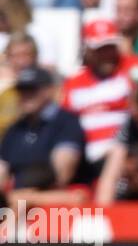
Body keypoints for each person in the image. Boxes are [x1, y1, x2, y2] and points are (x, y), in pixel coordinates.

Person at [0, 67, 83, 197]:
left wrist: (27, 194)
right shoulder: (14, 129)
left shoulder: (67, 122)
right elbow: (2, 171)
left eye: (31, 89)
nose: (26, 95)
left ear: (49, 91)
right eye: (22, 90)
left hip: (55, 203)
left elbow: (62, 174)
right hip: (17, 202)